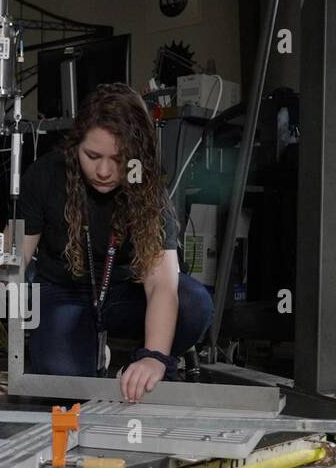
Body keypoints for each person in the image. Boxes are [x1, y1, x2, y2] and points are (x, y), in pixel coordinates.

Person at [16, 82, 214, 402]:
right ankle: (87, 352)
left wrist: (155, 356)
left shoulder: (146, 184)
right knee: (62, 388)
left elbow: (163, 281)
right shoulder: (44, 175)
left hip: (123, 292)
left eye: (118, 159)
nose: (104, 171)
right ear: (75, 144)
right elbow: (18, 254)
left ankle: (138, 368)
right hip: (65, 292)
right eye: (92, 156)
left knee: (194, 302)